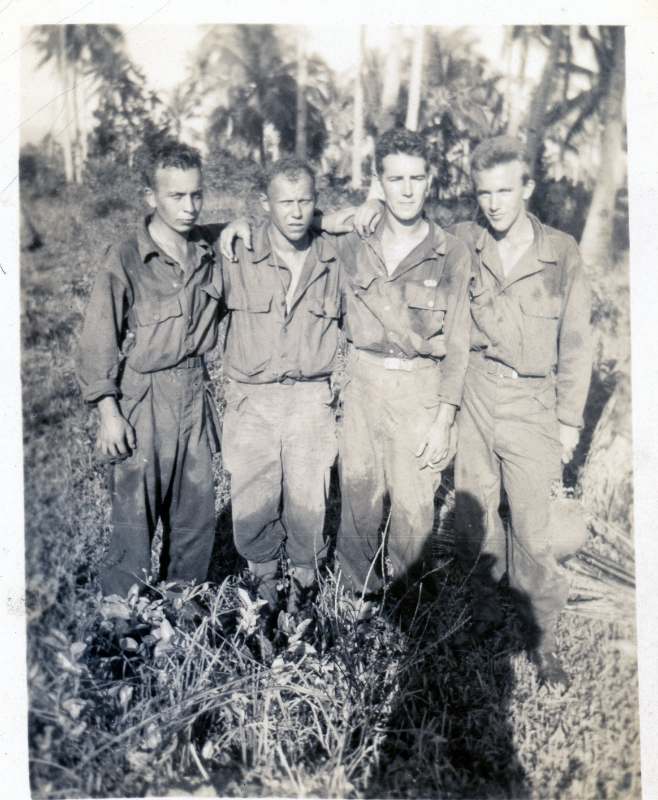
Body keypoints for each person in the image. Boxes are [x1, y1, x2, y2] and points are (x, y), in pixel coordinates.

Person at [354, 135, 593, 688]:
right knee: (474, 524)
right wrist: (369, 201)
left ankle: (543, 642)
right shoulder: (465, 240)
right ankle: (484, 624)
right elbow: (404, 219)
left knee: (534, 533)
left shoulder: (561, 253)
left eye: (505, 190)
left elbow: (578, 342)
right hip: (478, 394)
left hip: (534, 401)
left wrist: (569, 423)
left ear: (527, 188)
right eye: (484, 192)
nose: (494, 202)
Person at [324, 128, 471, 609]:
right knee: (359, 495)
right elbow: (297, 222)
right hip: (363, 383)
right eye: (395, 179)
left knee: (413, 504)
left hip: (420, 387)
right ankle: (356, 598)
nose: (406, 190)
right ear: (378, 183)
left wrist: (445, 416)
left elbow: (460, 341)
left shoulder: (450, 253)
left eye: (416, 178)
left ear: (431, 182)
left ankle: (409, 605)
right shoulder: (353, 242)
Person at [77, 140, 224, 598]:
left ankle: (185, 610)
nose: (189, 206)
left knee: (195, 514)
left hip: (194, 394)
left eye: (196, 195)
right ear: (151, 197)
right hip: (143, 399)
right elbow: (98, 337)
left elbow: (263, 227)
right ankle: (123, 620)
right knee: (134, 518)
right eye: (176, 196)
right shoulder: (125, 258)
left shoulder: (209, 247)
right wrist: (108, 412)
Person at [219, 156, 341, 615]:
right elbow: (178, 231)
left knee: (310, 495)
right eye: (284, 202)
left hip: (311, 397)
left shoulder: (334, 257)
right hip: (253, 398)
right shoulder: (236, 252)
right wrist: (227, 225)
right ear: (263, 204)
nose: (295, 211)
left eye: (305, 201)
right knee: (253, 493)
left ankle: (303, 591)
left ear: (315, 203)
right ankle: (264, 586)